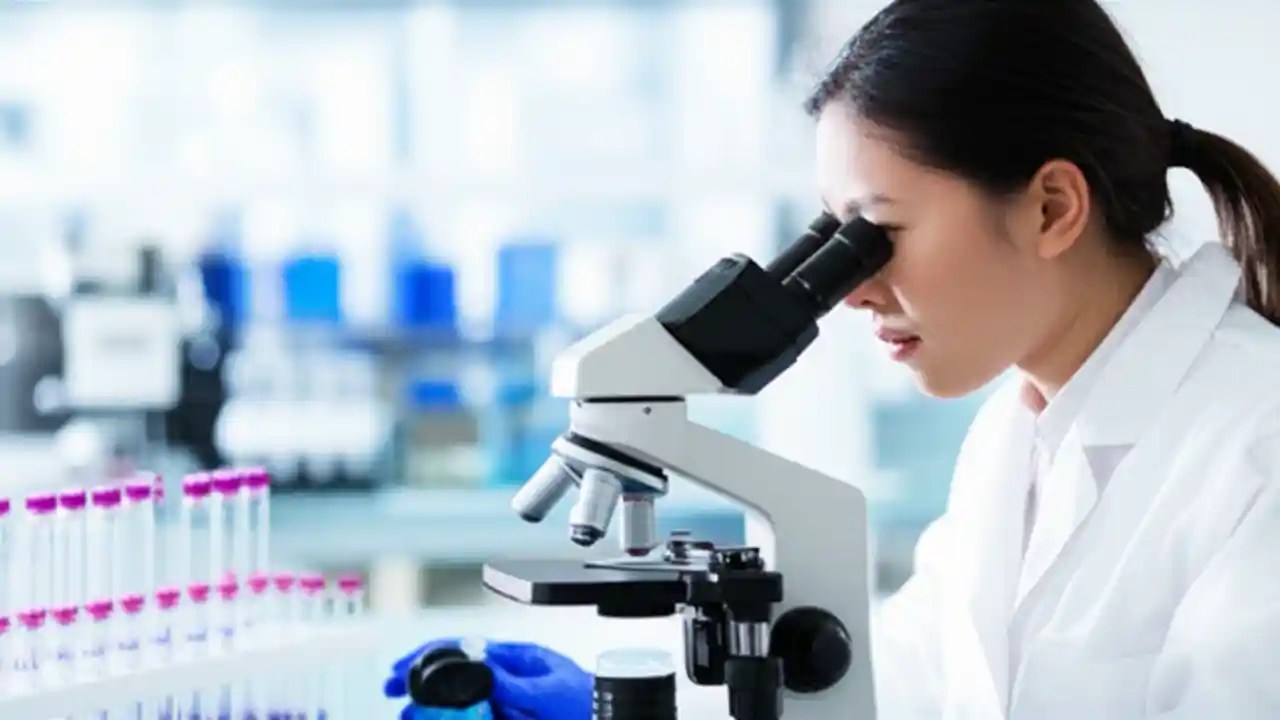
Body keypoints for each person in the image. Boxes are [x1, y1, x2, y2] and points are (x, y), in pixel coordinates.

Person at [386, 1, 1280, 717]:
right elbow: (895, 687)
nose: (851, 289)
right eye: (836, 239)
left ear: (1050, 208)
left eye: (876, 234)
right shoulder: (1016, 438)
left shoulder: (1256, 442)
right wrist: (611, 702)